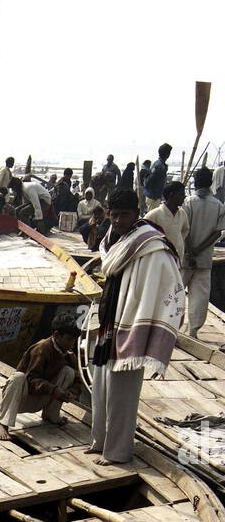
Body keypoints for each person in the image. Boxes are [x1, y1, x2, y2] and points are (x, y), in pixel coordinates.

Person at [89, 188, 184, 464]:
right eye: (114, 215)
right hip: (109, 322)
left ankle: (117, 452)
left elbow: (170, 280)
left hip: (131, 324)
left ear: (136, 213)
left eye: (124, 215)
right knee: (101, 386)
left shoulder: (150, 243)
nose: (118, 221)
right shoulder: (111, 241)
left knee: (123, 394)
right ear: (107, 213)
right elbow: (109, 266)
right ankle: (100, 442)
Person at [0, 318, 79, 440]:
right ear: (56, 335)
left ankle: (51, 415)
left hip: (43, 397)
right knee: (18, 378)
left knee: (69, 372)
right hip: (23, 399)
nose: (72, 344)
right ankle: (3, 423)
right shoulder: (41, 349)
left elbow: (78, 381)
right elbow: (31, 379)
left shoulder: (69, 355)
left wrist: (72, 392)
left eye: (74, 340)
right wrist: (54, 390)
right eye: (69, 339)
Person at [181, 166, 225, 337]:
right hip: (204, 257)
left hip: (185, 256)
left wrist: (191, 250)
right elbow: (217, 233)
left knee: (175, 292)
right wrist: (199, 250)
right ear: (211, 182)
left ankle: (171, 326)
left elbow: (183, 229)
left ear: (195, 182)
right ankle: (193, 330)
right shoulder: (219, 205)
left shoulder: (188, 202)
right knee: (200, 296)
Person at [145, 181, 189, 264]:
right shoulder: (154, 215)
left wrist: (179, 242)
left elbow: (185, 230)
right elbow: (144, 234)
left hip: (178, 258)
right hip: (159, 259)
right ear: (171, 195)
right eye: (181, 194)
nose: (184, 197)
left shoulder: (182, 213)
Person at [142, 143, 172, 211]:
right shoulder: (159, 166)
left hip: (155, 196)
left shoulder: (161, 165)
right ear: (167, 154)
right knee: (152, 219)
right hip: (153, 197)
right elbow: (149, 181)